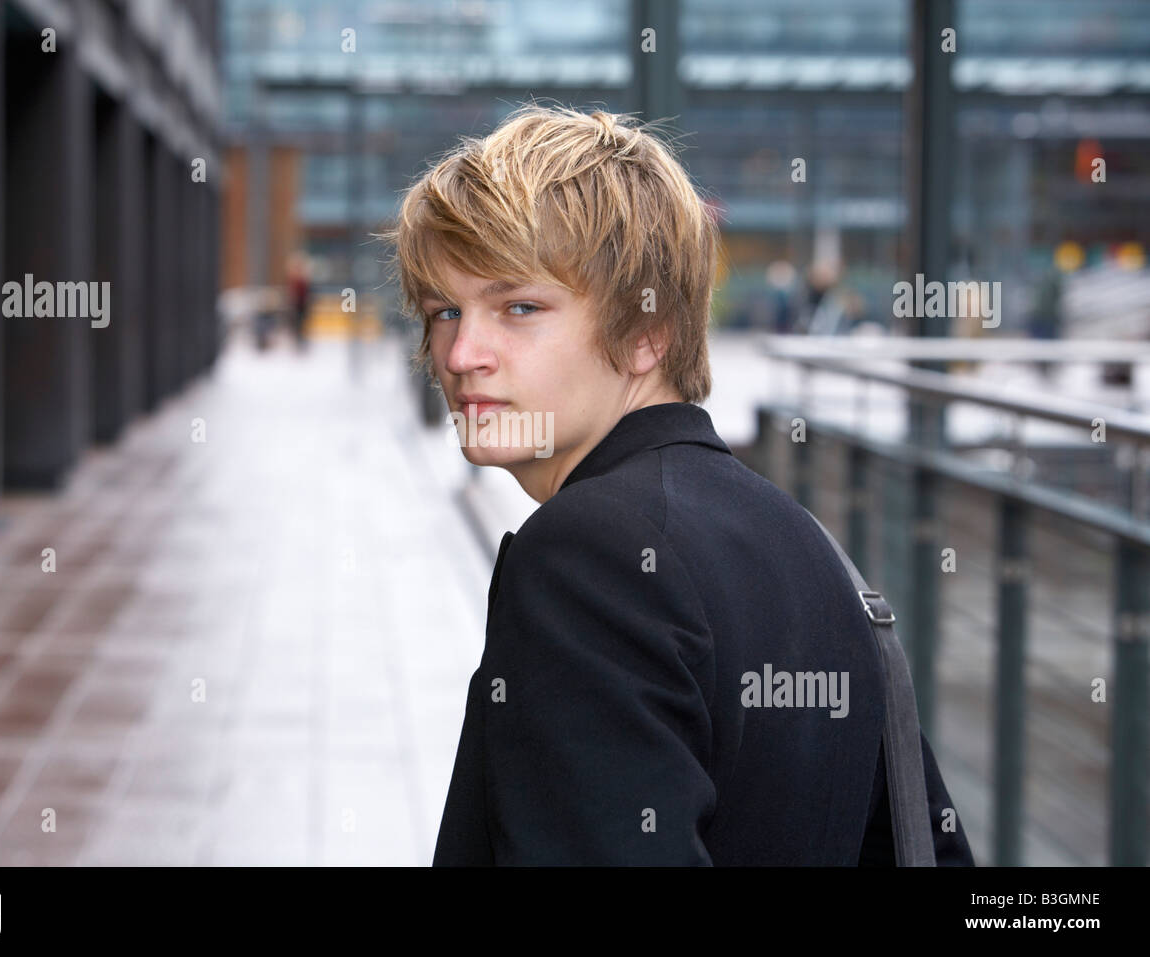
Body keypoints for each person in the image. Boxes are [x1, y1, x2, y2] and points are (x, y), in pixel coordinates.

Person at [380, 103, 974, 866]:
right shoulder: (813, 549)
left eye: (519, 307)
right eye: (444, 312)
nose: (462, 352)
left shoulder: (585, 557)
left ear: (645, 333)